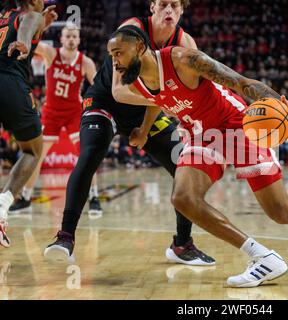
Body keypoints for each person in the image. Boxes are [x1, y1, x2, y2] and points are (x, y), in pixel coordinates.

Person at [104, 26, 288, 288]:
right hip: (200, 135)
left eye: (118, 53)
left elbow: (240, 82)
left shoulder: (184, 59)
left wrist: (278, 102)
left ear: (140, 47)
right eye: (111, 55)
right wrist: (144, 129)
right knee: (183, 198)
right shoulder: (137, 80)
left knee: (282, 212)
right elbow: (159, 101)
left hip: (236, 125)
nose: (114, 62)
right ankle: (263, 257)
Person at [43, 0, 215, 266]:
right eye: (164, 5)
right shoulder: (131, 31)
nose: (169, 11)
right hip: (106, 102)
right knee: (90, 154)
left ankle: (182, 244)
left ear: (182, 10)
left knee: (185, 165)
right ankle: (65, 236)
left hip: (145, 109)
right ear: (152, 7)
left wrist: (145, 129)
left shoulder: (185, 45)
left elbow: (166, 96)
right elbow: (120, 91)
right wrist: (160, 108)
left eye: (175, 6)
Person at [8, 24, 103, 217]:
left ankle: (94, 197)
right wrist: (31, 27)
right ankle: (26, 198)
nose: (70, 39)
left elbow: (99, 88)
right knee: (36, 156)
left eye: (74, 36)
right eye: (67, 36)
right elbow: (32, 43)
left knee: (86, 154)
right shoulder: (51, 54)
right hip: (51, 113)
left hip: (74, 113)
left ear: (79, 40)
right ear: (61, 38)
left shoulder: (86, 63)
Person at [0, 0, 57, 247]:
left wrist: (41, 26)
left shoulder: (3, 16)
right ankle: (2, 206)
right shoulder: (29, 15)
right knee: (33, 150)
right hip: (9, 84)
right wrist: (24, 39)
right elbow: (29, 21)